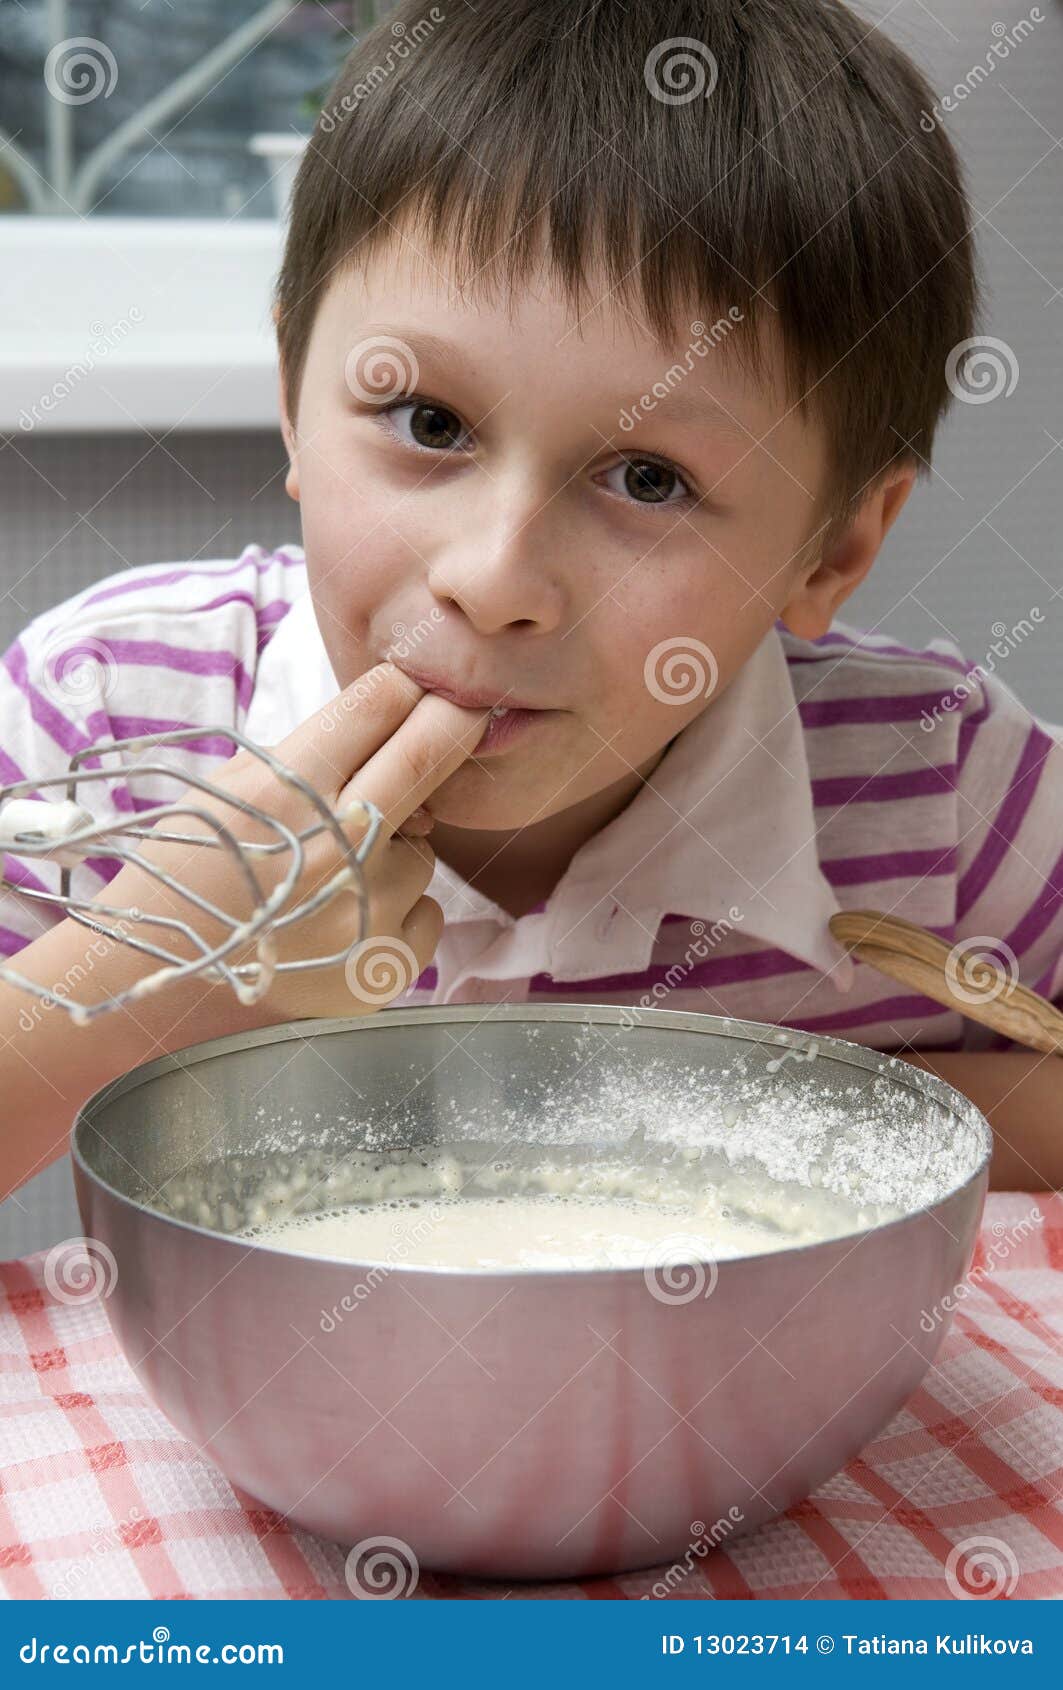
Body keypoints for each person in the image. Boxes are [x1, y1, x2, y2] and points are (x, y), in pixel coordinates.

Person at [1, 0, 1060, 1200]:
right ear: (293, 393)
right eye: (429, 422)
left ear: (833, 549)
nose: (493, 577)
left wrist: (755, 1111)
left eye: (648, 479)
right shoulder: (106, 713)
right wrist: (161, 981)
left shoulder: (940, 784)